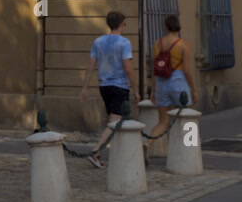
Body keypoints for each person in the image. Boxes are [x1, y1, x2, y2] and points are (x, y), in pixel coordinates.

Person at [80, 11, 139, 168]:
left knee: (114, 121)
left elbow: (91, 65)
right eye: (125, 23)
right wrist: (136, 89)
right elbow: (128, 68)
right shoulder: (124, 43)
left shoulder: (98, 42)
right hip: (120, 86)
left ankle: (109, 154)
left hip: (104, 86)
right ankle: (95, 151)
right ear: (121, 24)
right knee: (115, 122)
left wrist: (85, 87)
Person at [149, 15, 197, 139]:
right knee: (186, 118)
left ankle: (147, 144)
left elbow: (154, 69)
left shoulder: (157, 44)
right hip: (178, 83)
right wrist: (193, 89)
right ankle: (188, 150)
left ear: (166, 27)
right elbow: (187, 70)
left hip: (161, 83)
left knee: (163, 122)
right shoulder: (183, 45)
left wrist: (154, 91)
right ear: (178, 27)